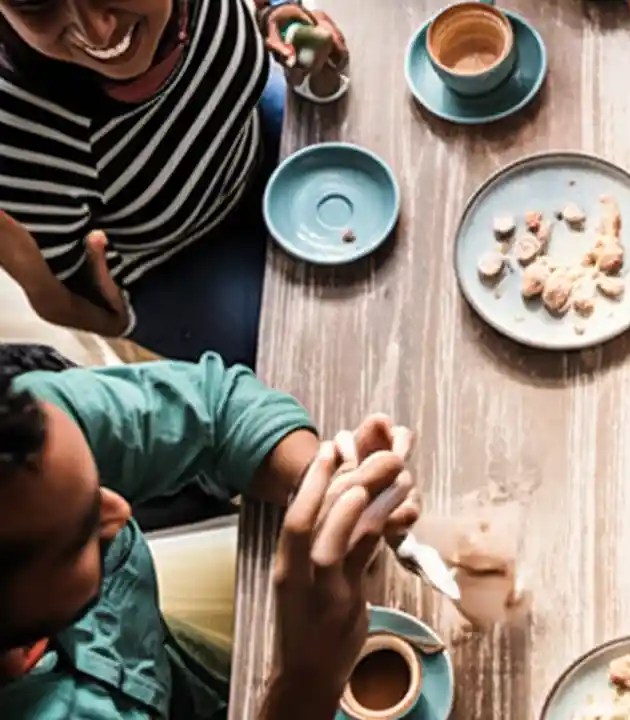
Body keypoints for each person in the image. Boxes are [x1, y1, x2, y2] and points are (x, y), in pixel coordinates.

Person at [0, 354, 420, 718]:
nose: (122, 511)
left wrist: (327, 484)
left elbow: (213, 405)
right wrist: (306, 681)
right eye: (81, 537)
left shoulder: (27, 435)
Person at [0, 0, 347, 368]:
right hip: (177, 268)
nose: (97, 31)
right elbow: (70, 295)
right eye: (33, 5)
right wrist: (73, 304)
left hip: (251, 131)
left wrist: (274, 9)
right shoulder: (17, 134)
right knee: (320, 357)